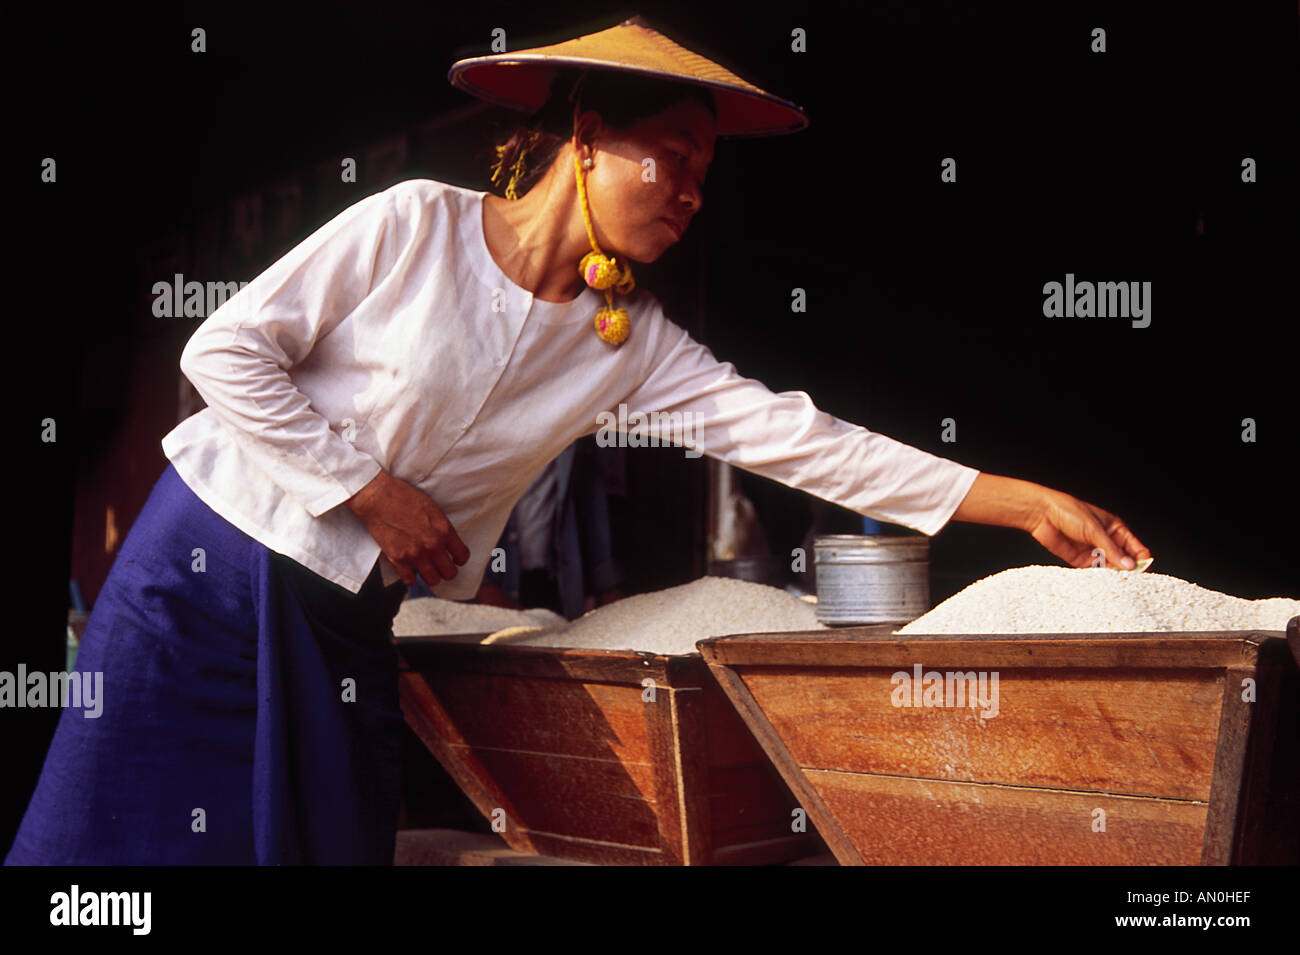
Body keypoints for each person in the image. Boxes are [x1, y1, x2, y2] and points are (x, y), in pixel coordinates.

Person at [6, 16, 1149, 866]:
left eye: (708, 176)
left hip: (339, 619)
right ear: (588, 137)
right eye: (678, 158)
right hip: (206, 574)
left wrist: (1012, 498)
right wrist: (367, 486)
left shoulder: (627, 344)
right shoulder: (413, 226)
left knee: (321, 846)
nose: (695, 192)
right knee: (115, 846)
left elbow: (796, 438)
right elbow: (221, 353)